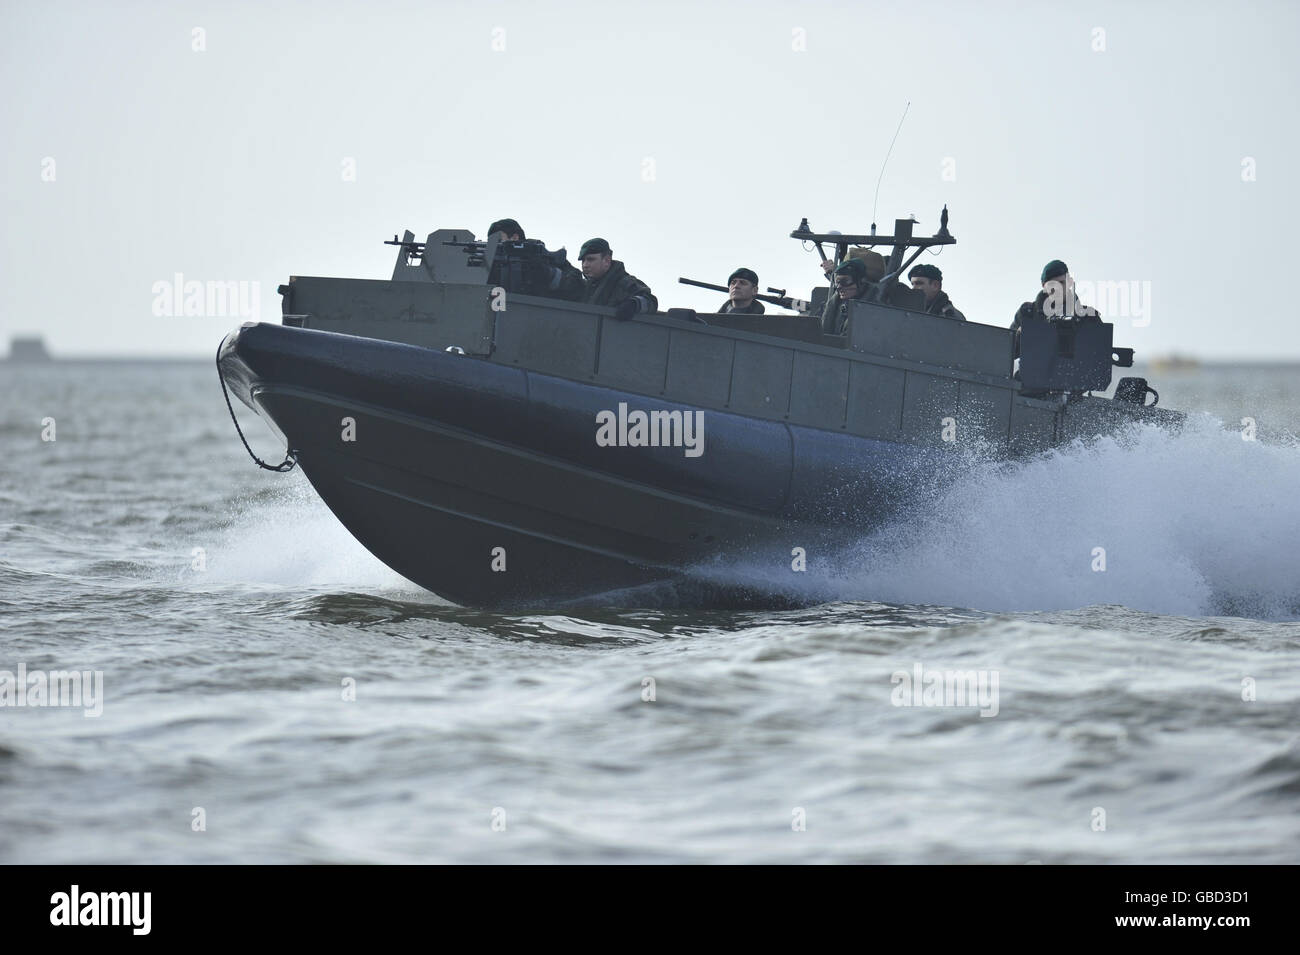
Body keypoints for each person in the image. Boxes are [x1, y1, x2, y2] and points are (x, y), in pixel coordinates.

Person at [1010, 259, 1100, 356]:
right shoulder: (1027, 314)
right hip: (1034, 370)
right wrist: (1019, 337)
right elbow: (1008, 355)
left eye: (1061, 283)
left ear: (1069, 282)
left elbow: (1102, 355)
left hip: (1079, 370)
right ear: (1044, 286)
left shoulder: (1089, 317)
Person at [578, 238, 657, 319]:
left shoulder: (624, 283)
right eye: (583, 261)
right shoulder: (585, 286)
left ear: (606, 261)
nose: (585, 265)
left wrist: (634, 304)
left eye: (590, 259)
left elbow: (651, 301)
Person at [820, 258, 876, 335]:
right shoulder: (836, 304)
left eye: (845, 281)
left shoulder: (874, 310)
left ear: (861, 281)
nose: (839, 287)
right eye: (837, 282)